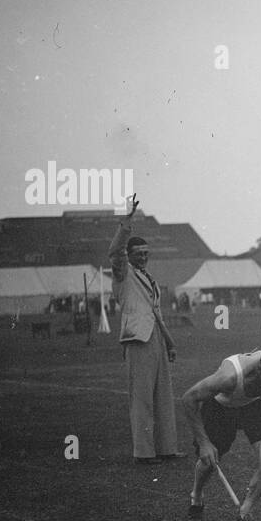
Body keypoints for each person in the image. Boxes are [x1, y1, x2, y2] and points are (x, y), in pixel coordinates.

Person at [181, 343, 261, 521]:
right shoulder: (228, 378)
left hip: (258, 403)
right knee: (208, 461)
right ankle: (197, 495)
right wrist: (204, 443)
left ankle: (245, 509)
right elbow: (189, 398)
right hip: (222, 408)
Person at [108, 195, 179, 464]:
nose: (144, 257)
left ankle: (167, 448)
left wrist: (170, 343)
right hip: (137, 339)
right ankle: (144, 452)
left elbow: (157, 314)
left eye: (147, 253)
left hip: (156, 339)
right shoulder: (122, 273)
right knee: (142, 399)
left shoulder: (150, 278)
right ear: (130, 256)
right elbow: (114, 252)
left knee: (163, 397)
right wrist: (126, 223)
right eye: (139, 254)